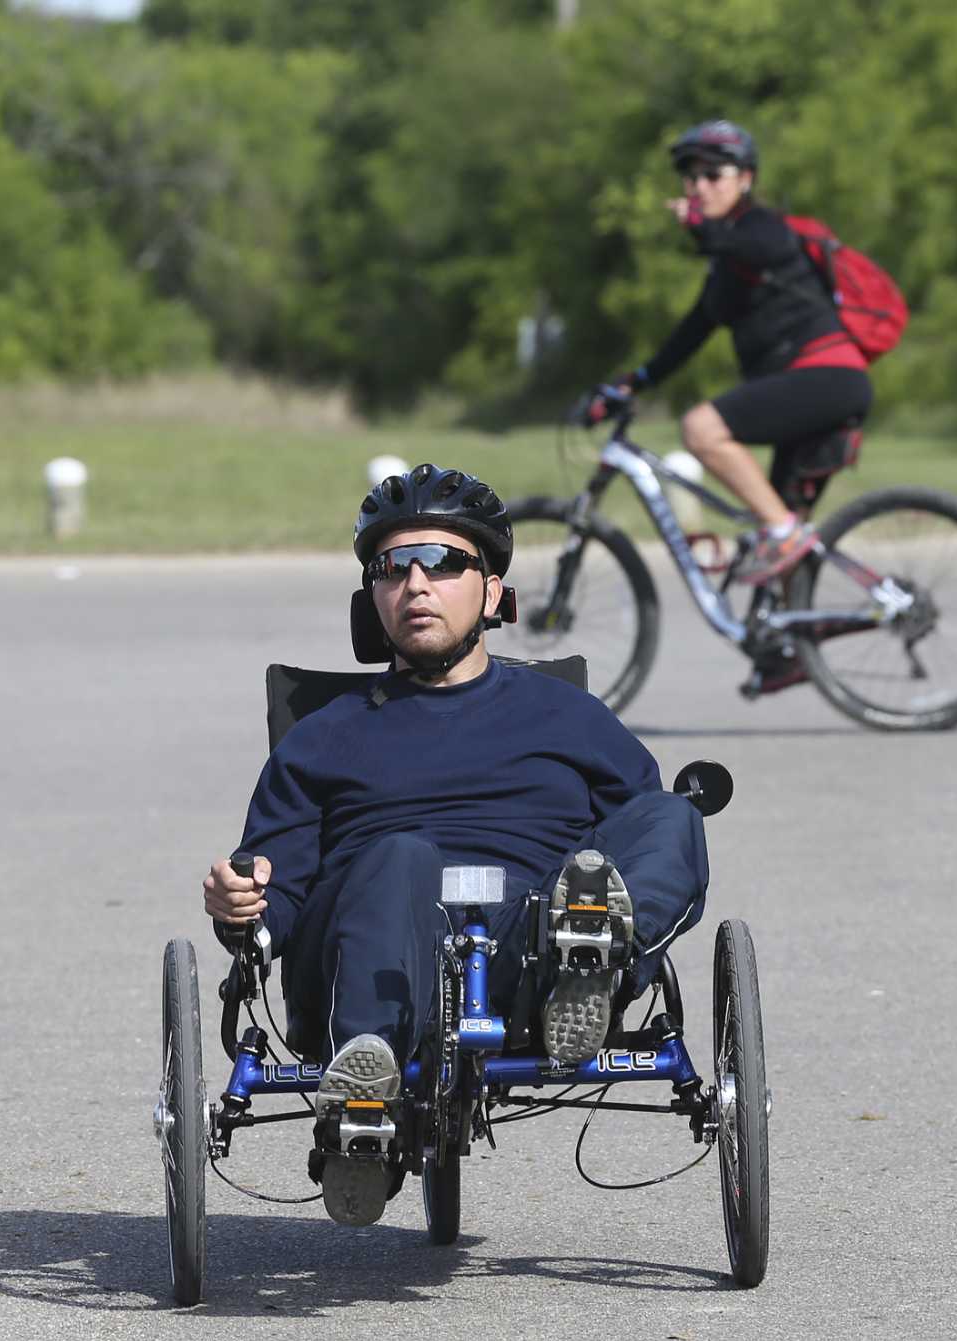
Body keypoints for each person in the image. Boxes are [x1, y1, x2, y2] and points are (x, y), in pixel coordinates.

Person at [200, 464, 708, 1226]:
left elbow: (645, 830)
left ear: (494, 592)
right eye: (391, 566)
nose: (415, 583)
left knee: (669, 813)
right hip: (373, 955)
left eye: (442, 561)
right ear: (371, 597)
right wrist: (243, 901)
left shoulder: (568, 715)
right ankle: (363, 1098)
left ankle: (594, 958)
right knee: (401, 855)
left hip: (529, 951)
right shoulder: (322, 738)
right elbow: (279, 890)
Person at [593, 119, 875, 583]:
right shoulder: (728, 266)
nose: (699, 185)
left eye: (713, 174)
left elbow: (750, 246)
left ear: (745, 179)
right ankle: (789, 649)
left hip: (830, 378)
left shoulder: (765, 229)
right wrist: (634, 382)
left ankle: (783, 530)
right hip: (804, 386)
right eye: (691, 176)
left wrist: (701, 227)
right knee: (781, 554)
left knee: (701, 429)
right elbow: (693, 331)